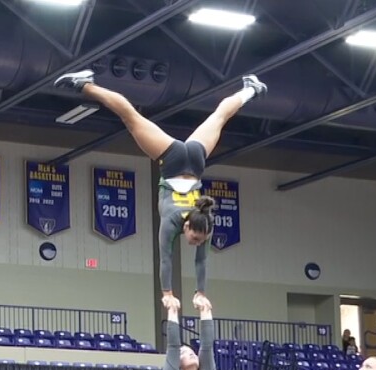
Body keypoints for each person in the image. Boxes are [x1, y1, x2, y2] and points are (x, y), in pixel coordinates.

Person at [53, 71, 266, 311]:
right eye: (196, 239)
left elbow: (201, 261)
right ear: (187, 226)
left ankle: (252, 89)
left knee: (220, 117)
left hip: (196, 162)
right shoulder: (172, 221)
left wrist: (200, 293)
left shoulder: (206, 223)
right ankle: (85, 85)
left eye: (199, 240)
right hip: (174, 161)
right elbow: (166, 259)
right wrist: (167, 293)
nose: (195, 243)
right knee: (131, 117)